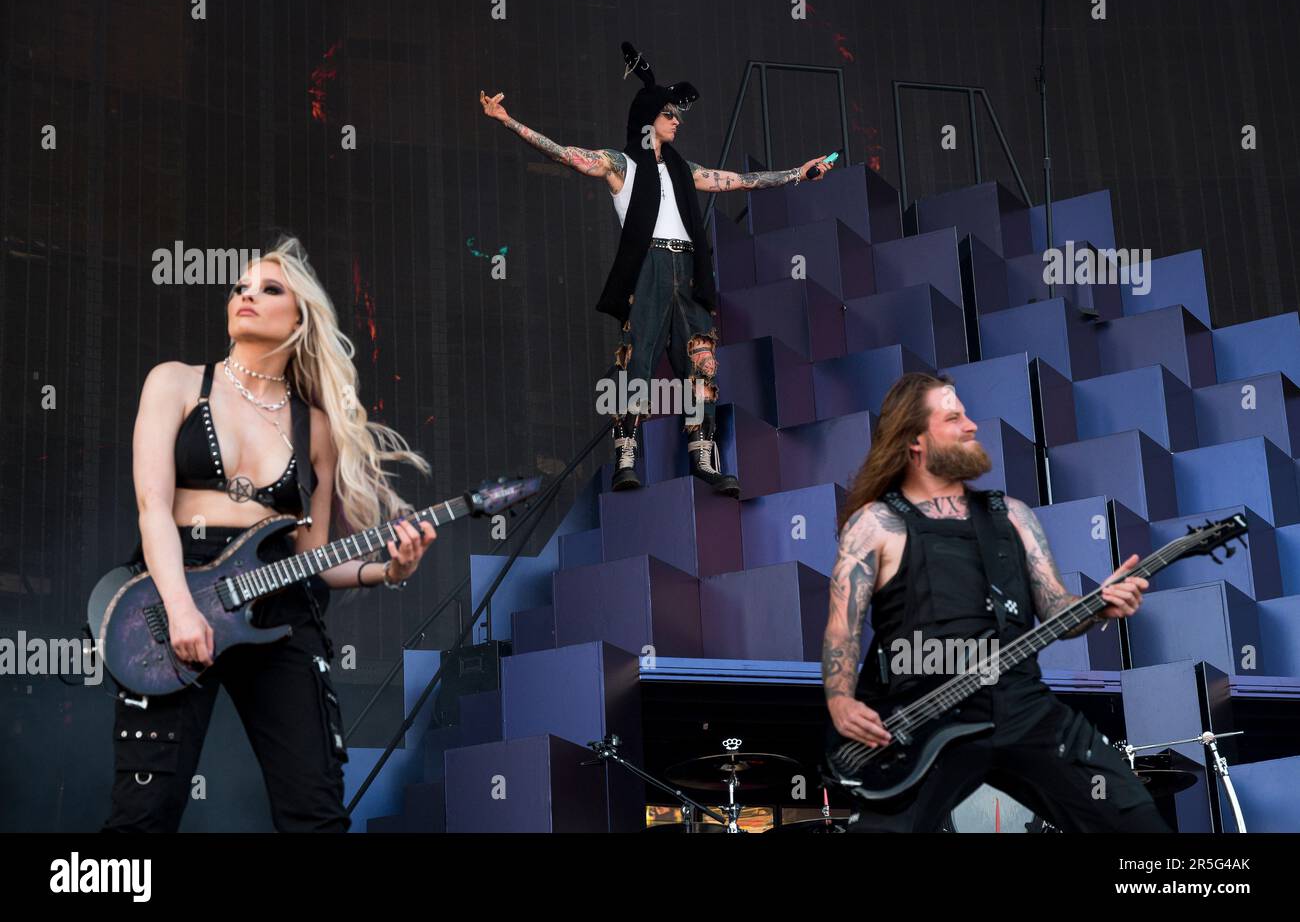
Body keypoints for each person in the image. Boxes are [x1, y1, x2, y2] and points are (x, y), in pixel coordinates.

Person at [101, 236, 436, 832]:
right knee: (142, 815)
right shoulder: (176, 383)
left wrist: (389, 569)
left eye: (269, 288)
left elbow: (315, 558)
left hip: (280, 599)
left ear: (300, 316)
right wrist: (180, 609)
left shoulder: (317, 427)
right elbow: (152, 507)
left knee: (316, 810)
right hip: (175, 584)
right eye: (240, 287)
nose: (246, 295)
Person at [479, 41, 835, 497]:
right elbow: (565, 154)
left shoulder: (687, 172)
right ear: (649, 117)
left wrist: (796, 174)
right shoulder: (621, 165)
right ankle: (626, 459)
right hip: (647, 266)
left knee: (702, 363)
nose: (677, 121)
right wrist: (508, 121)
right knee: (636, 364)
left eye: (678, 115)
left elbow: (740, 181)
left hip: (686, 270)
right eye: (669, 113)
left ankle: (703, 459)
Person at [822, 372, 1171, 832]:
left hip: (1022, 709)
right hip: (921, 719)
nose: (972, 425)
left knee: (1135, 820)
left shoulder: (1012, 515)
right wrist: (840, 700)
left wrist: (1098, 605)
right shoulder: (876, 524)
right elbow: (842, 627)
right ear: (915, 441)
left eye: (966, 414)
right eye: (954, 417)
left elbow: (1055, 609)